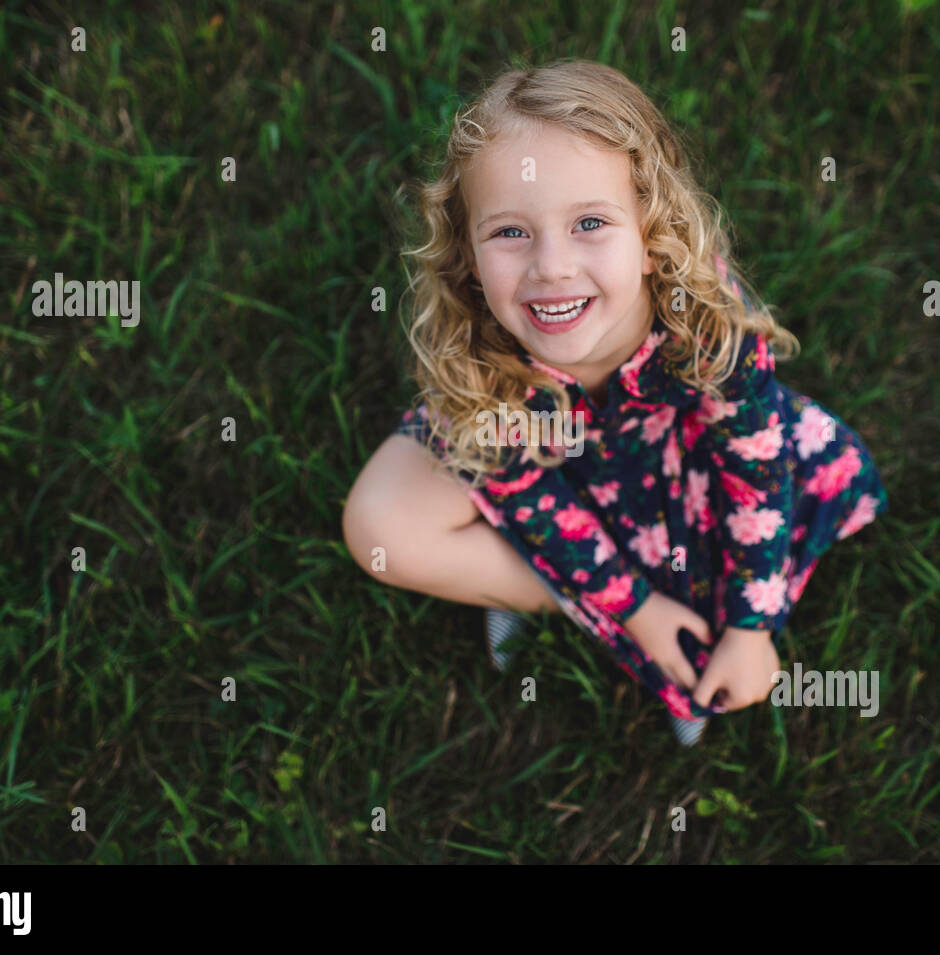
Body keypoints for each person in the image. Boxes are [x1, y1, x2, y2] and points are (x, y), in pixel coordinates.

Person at [343, 59, 888, 747]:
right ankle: (566, 601)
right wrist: (635, 610)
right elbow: (527, 497)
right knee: (379, 523)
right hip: (546, 474)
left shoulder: (705, 326)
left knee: (716, 586)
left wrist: (753, 627)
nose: (552, 267)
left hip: (678, 474)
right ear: (467, 256)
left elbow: (755, 473)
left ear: (652, 237)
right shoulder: (473, 348)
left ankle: (651, 620)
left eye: (591, 223)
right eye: (509, 232)